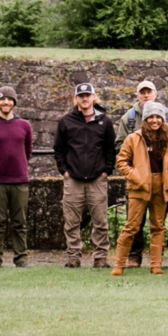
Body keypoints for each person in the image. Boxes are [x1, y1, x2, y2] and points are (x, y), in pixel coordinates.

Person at [53, 82, 118, 268]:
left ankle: (100, 258)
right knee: (71, 221)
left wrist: (107, 170)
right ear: (75, 99)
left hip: (97, 178)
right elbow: (59, 149)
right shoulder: (66, 121)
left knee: (100, 220)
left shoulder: (104, 121)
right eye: (81, 96)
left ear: (94, 98)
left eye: (88, 95)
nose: (84, 99)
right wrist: (64, 171)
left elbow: (110, 149)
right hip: (73, 179)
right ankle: (73, 257)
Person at [113, 102, 168, 276]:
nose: (154, 121)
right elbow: (122, 162)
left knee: (158, 226)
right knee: (131, 226)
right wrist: (135, 176)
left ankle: (156, 265)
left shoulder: (167, 140)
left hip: (161, 186)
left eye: (158, 117)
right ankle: (119, 264)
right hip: (139, 187)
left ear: (162, 120)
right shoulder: (134, 138)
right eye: (151, 117)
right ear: (145, 119)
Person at [0, 86, 33, 268]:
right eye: (2, 99)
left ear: (14, 102)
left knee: (20, 222)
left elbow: (27, 151)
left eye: (9, 99)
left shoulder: (24, 126)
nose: (6, 102)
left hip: (19, 181)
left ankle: (21, 258)